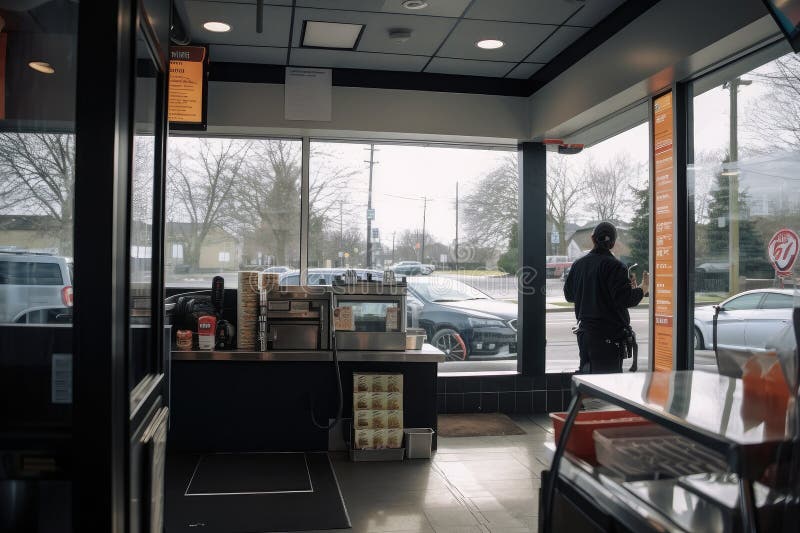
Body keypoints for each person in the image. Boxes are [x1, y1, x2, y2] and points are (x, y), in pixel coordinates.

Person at [564, 222, 649, 374]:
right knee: (607, 386)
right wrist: (643, 289)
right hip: (609, 339)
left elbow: (569, 296)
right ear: (613, 242)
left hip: (585, 336)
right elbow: (624, 299)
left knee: (587, 381)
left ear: (592, 238)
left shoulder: (578, 265)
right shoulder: (616, 266)